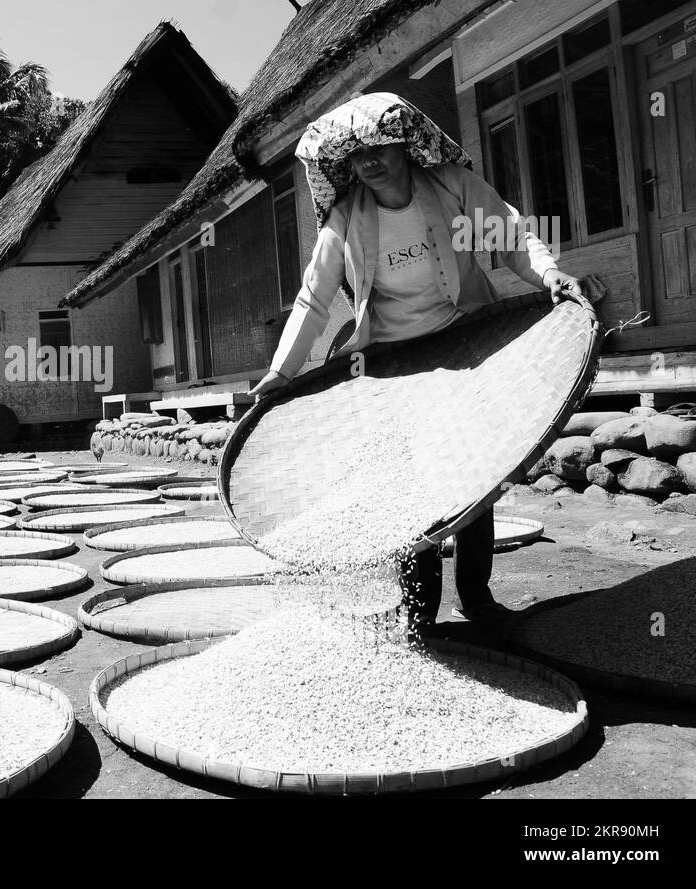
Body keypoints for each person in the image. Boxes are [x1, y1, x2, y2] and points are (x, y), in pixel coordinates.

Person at [248, 92, 592, 630]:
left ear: (405, 143)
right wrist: (283, 370)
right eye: (353, 155)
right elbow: (314, 297)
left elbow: (508, 237)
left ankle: (475, 597)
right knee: (410, 481)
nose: (367, 160)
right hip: (391, 362)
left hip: (465, 342)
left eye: (377, 146)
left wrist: (549, 274)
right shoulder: (346, 217)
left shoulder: (451, 186)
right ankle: (417, 608)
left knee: (478, 469)